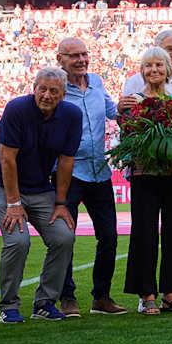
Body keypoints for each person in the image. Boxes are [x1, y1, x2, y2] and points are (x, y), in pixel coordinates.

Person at [0, 67, 81, 323]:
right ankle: (9, 306)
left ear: (64, 94)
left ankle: (45, 302)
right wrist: (13, 203)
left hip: (38, 186)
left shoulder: (72, 115)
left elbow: (67, 161)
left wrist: (61, 203)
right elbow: (6, 159)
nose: (46, 95)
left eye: (53, 91)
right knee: (18, 240)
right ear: (33, 88)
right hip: (1, 183)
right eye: (42, 89)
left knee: (63, 236)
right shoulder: (16, 109)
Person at [121, 47, 172, 316]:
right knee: (145, 233)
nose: (154, 70)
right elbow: (128, 139)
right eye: (149, 66)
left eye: (159, 65)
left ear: (168, 69)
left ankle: (171, 292)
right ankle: (147, 294)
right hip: (145, 176)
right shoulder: (133, 102)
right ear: (142, 71)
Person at [56, 37, 126, 316]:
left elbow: (112, 111)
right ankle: (66, 297)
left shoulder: (96, 80)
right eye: (74, 56)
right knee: (65, 238)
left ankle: (102, 297)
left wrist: (129, 108)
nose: (81, 60)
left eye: (84, 54)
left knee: (109, 237)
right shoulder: (55, 86)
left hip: (99, 171)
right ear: (60, 58)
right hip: (67, 173)